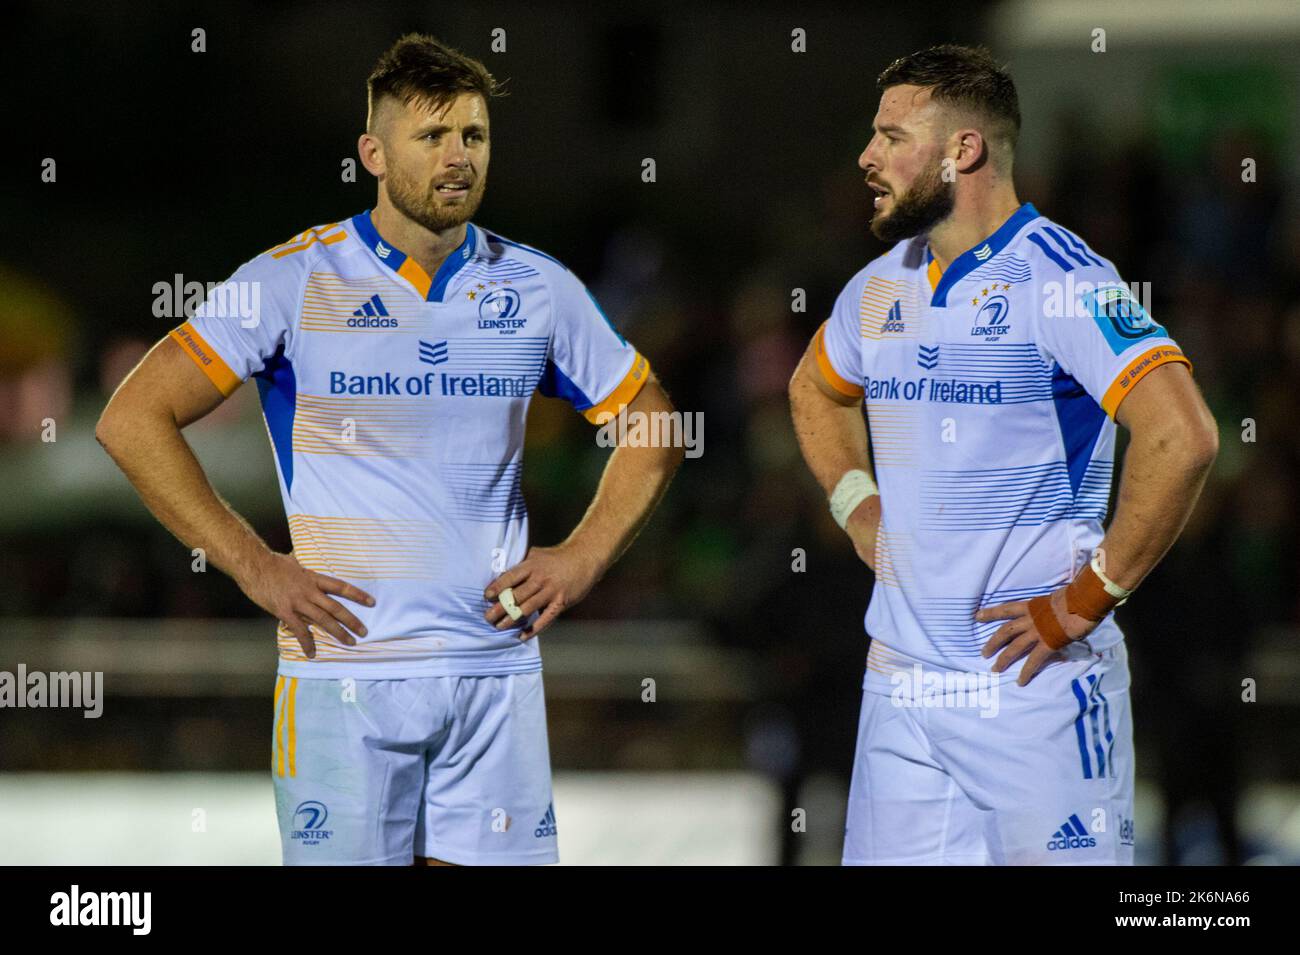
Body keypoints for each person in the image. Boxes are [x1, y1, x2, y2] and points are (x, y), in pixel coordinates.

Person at [96, 33, 683, 866]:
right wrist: (254, 564)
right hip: (344, 678)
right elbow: (132, 418)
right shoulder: (293, 280)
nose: (458, 158)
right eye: (432, 136)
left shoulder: (537, 288)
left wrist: (584, 556)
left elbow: (655, 424)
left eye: (474, 137)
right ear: (372, 152)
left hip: (491, 672)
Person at [788, 44, 1218, 865]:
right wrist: (856, 504)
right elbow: (814, 389)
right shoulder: (882, 285)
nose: (866, 157)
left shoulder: (1062, 279)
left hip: (1033, 691)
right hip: (900, 690)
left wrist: (1086, 600)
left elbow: (1183, 435)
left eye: (890, 136)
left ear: (964, 151)